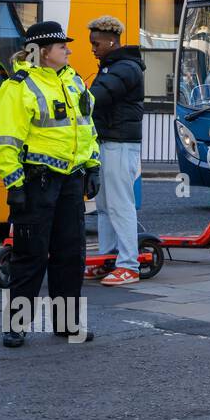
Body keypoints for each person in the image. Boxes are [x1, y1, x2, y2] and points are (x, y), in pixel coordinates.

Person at [0, 22, 99, 347]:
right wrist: (15, 184)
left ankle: (66, 325)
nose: (68, 50)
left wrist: (93, 166)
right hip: (36, 182)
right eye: (61, 46)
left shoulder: (74, 80)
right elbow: (4, 141)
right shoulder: (18, 86)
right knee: (30, 255)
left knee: (70, 255)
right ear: (41, 51)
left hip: (70, 181)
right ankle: (16, 326)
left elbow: (87, 127)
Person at [86, 15, 146, 286]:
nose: (93, 48)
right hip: (110, 141)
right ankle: (107, 259)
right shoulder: (114, 65)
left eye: (96, 43)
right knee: (105, 206)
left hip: (120, 144)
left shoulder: (124, 68)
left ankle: (128, 265)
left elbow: (97, 98)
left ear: (111, 41)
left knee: (120, 205)